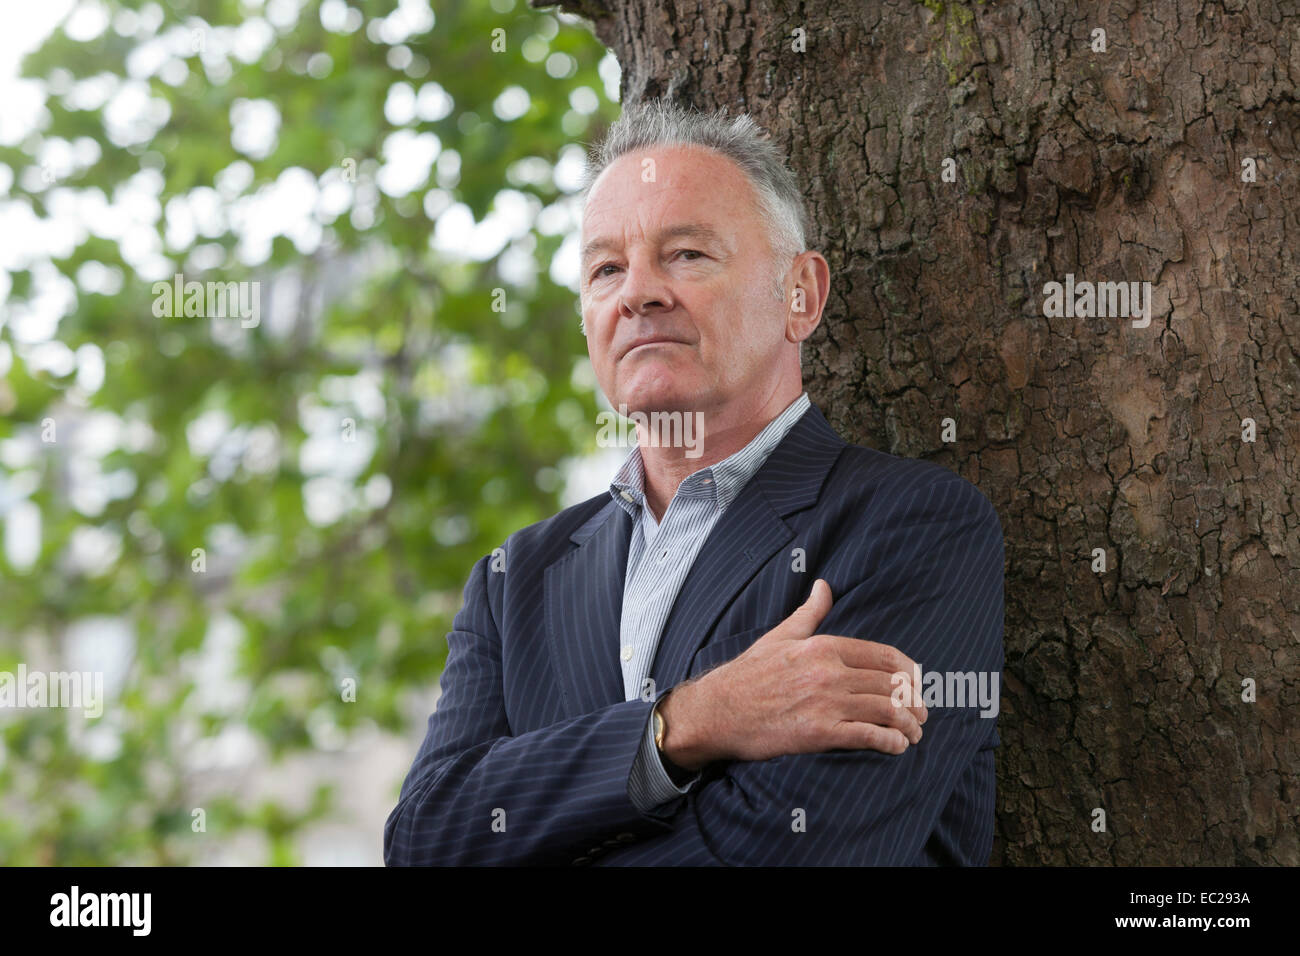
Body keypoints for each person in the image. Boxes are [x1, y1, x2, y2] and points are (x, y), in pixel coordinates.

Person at [384, 99, 1004, 866]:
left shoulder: (914, 528)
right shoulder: (517, 579)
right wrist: (686, 723)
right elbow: (425, 838)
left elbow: (798, 853)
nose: (636, 292)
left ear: (800, 295)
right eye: (606, 268)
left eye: (686, 255)